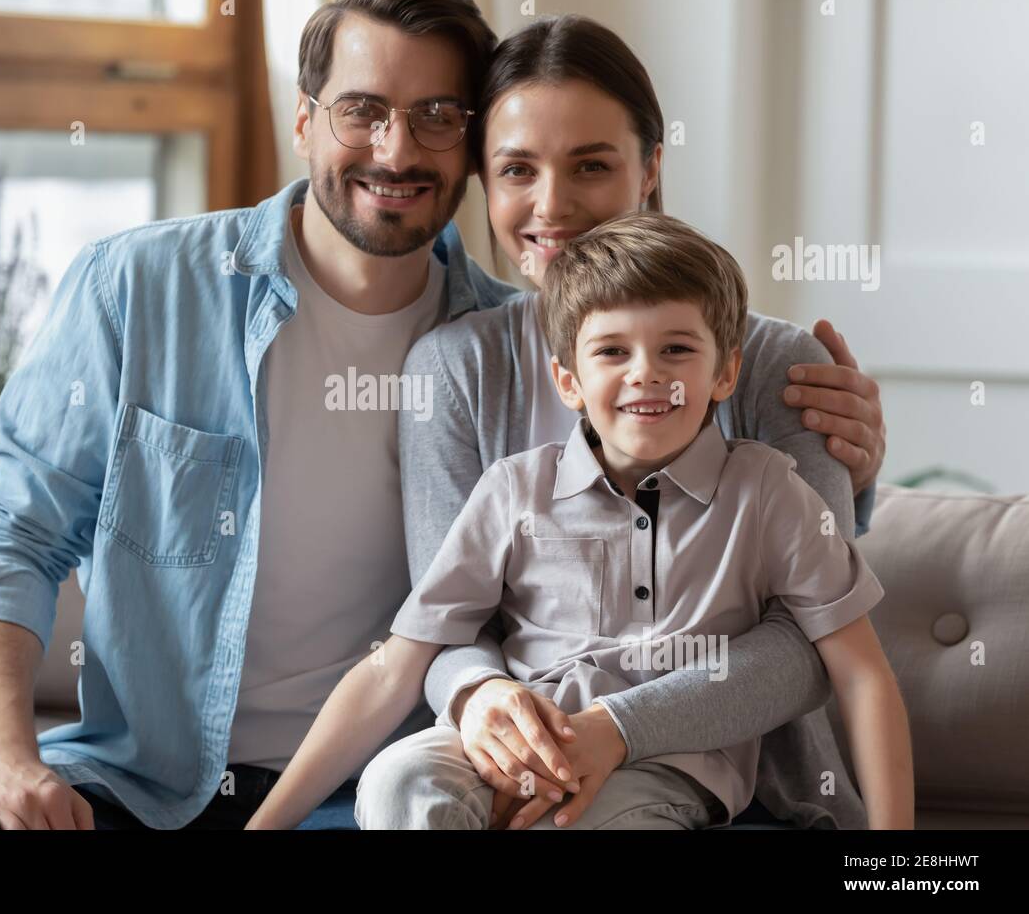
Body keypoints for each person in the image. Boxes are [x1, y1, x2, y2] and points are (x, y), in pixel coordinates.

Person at [0, 0, 512, 829]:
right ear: (305, 120)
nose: (397, 152)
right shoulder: (136, 286)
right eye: (362, 110)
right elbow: (14, 533)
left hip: (380, 790)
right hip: (137, 783)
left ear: (471, 140)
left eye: (437, 115)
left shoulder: (514, 346)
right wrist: (0, 756)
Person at [245, 213, 912, 830]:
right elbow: (394, 669)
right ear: (568, 381)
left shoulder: (768, 492)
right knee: (400, 782)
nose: (646, 374)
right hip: (512, 742)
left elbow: (861, 675)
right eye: (613, 352)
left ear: (725, 371)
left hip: (667, 764)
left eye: (677, 349)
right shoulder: (513, 490)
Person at [394, 14, 889, 830]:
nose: (552, 205)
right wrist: (482, 697)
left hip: (747, 791)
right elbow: (445, 625)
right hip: (520, 765)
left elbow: (810, 646)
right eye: (517, 169)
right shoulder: (452, 370)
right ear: (483, 178)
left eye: (591, 165)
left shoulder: (776, 363)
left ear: (651, 168)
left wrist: (619, 730)